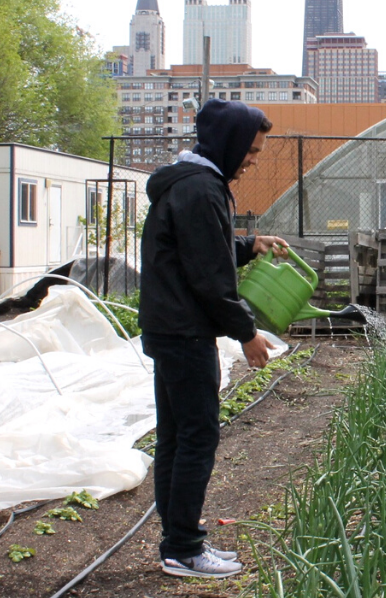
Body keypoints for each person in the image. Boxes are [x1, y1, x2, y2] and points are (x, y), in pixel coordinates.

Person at [138, 99, 288, 579]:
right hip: (185, 333)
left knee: (176, 437)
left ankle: (178, 542)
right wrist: (247, 332)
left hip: (170, 328)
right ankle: (184, 548)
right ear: (229, 142)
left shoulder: (188, 182)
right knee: (197, 437)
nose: (253, 160)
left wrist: (250, 244)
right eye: (251, 150)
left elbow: (203, 250)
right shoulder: (202, 189)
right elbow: (209, 277)